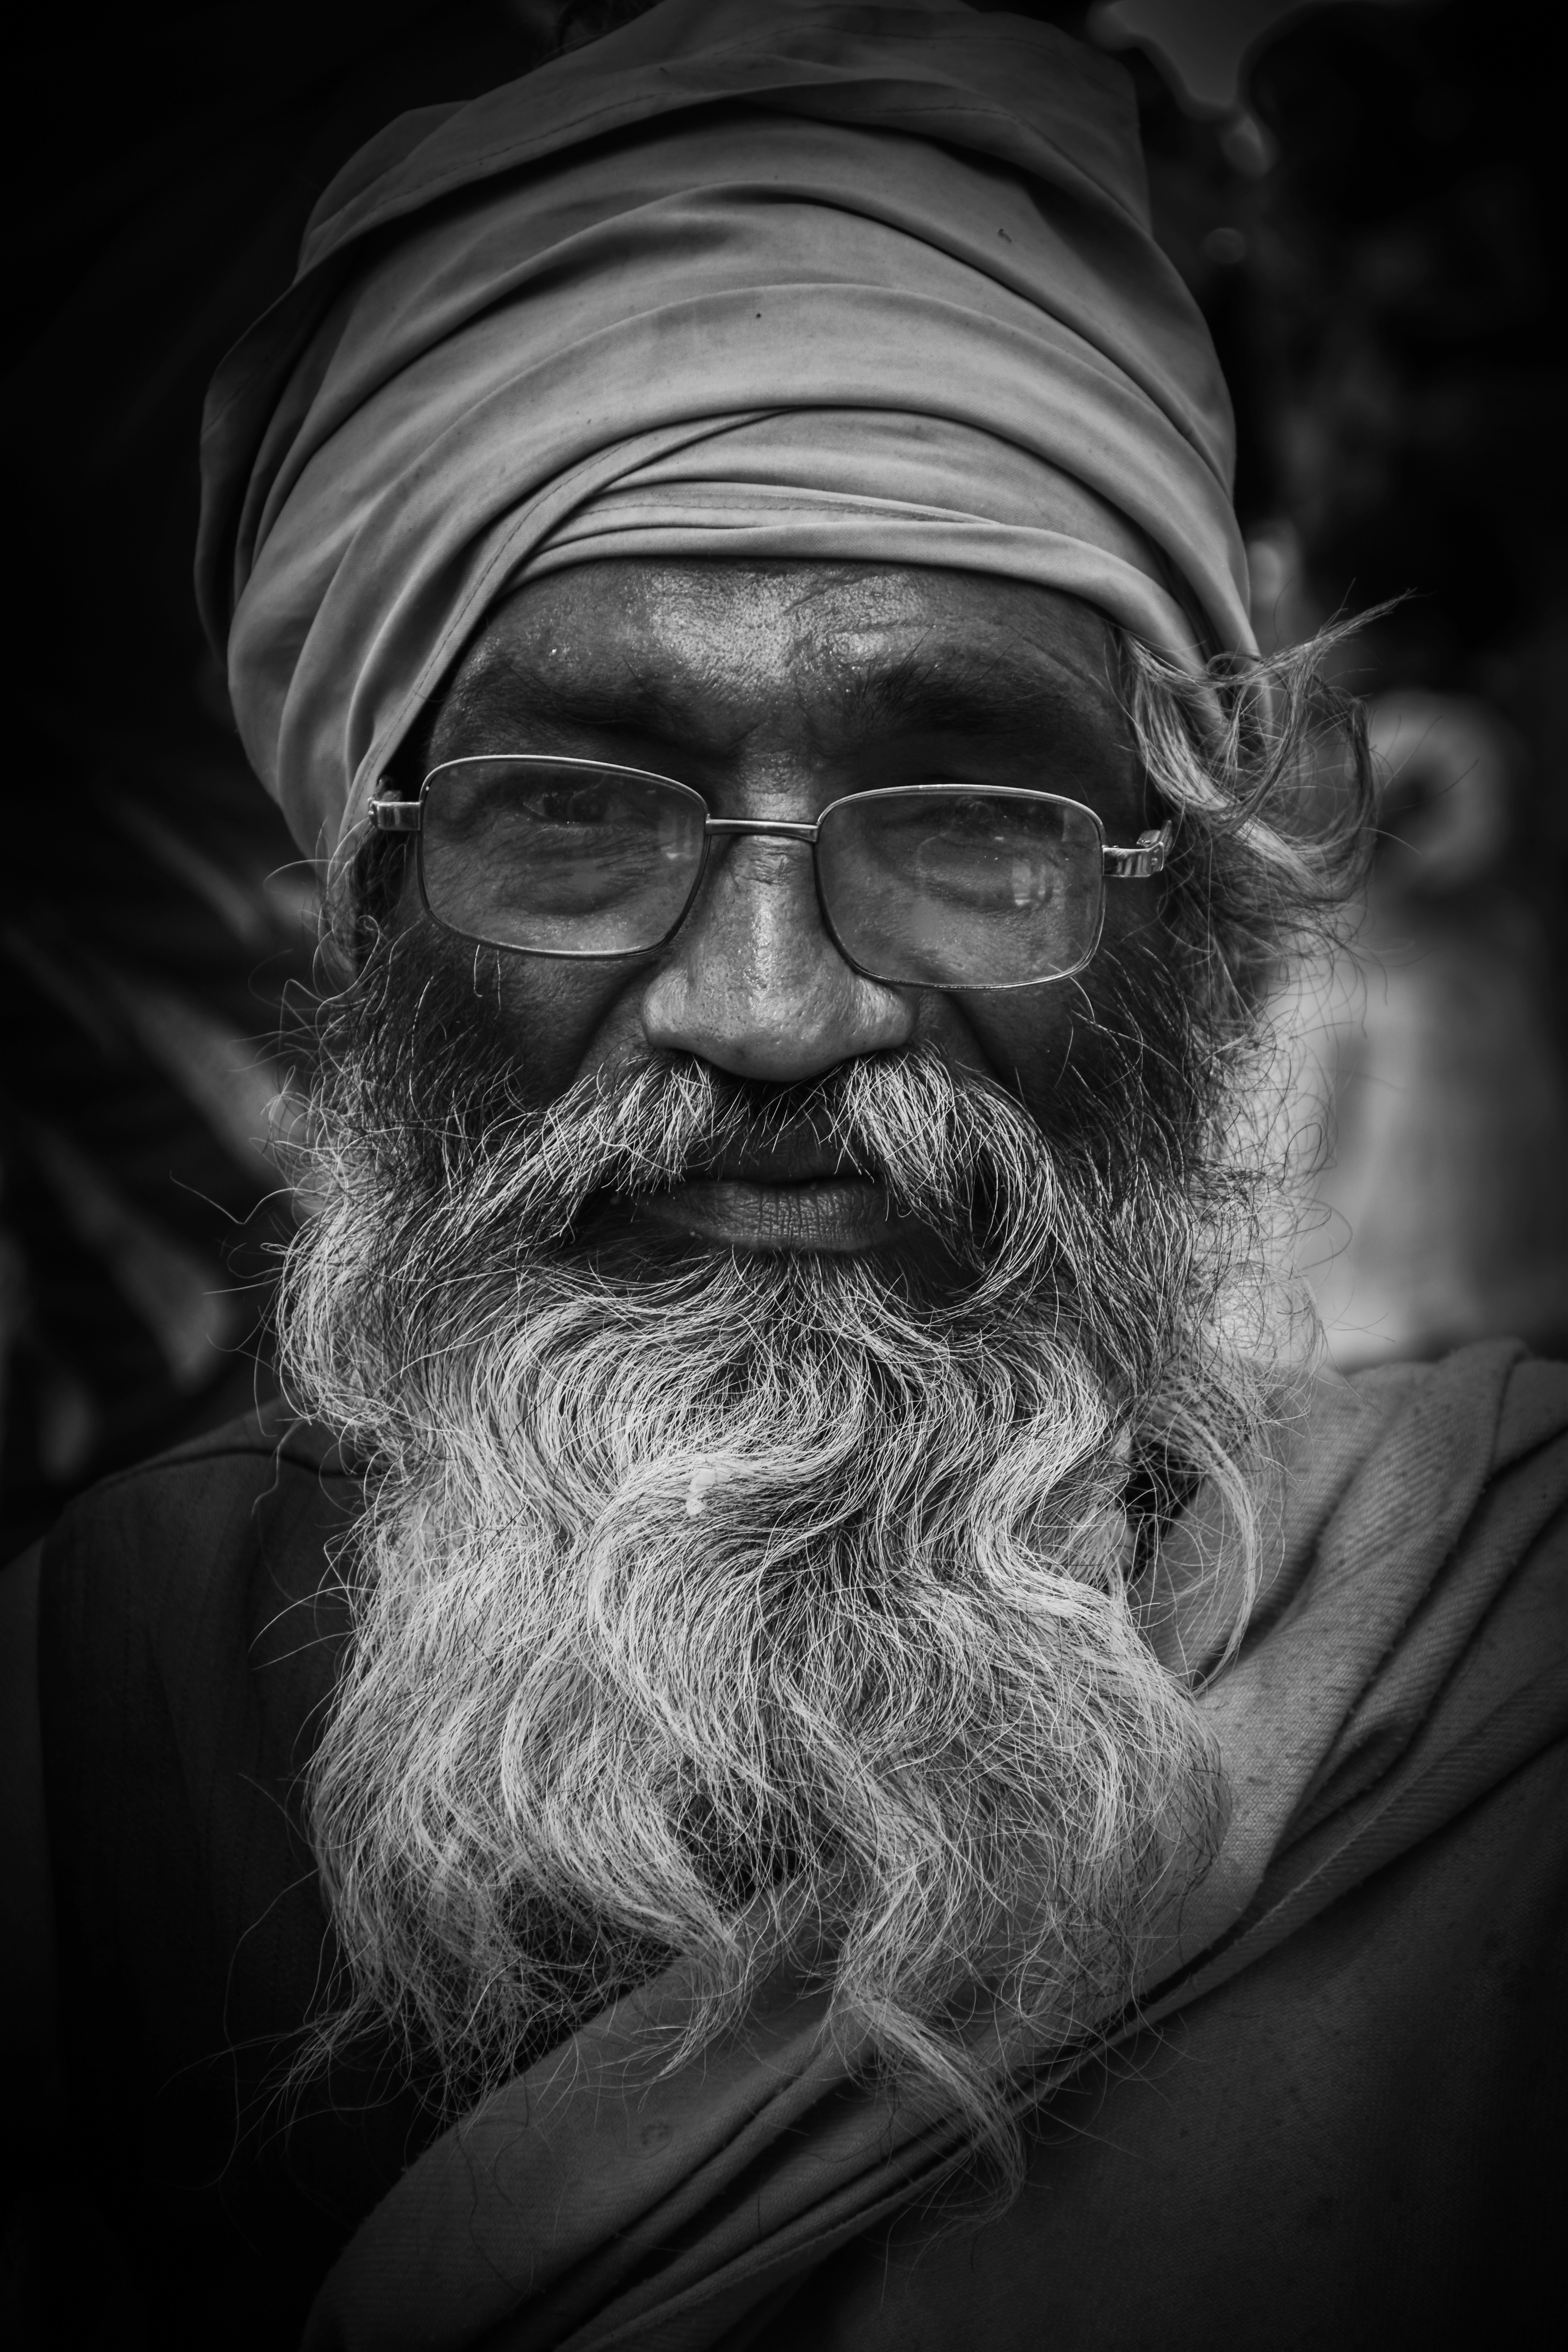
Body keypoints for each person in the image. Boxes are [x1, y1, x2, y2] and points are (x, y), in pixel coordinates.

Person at [2, 4, 1564, 2346]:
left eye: (966, 824)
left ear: (1194, 930)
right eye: (573, 809)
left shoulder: (1509, 1664)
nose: (763, 1005)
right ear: (368, 923)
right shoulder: (89, 1697)